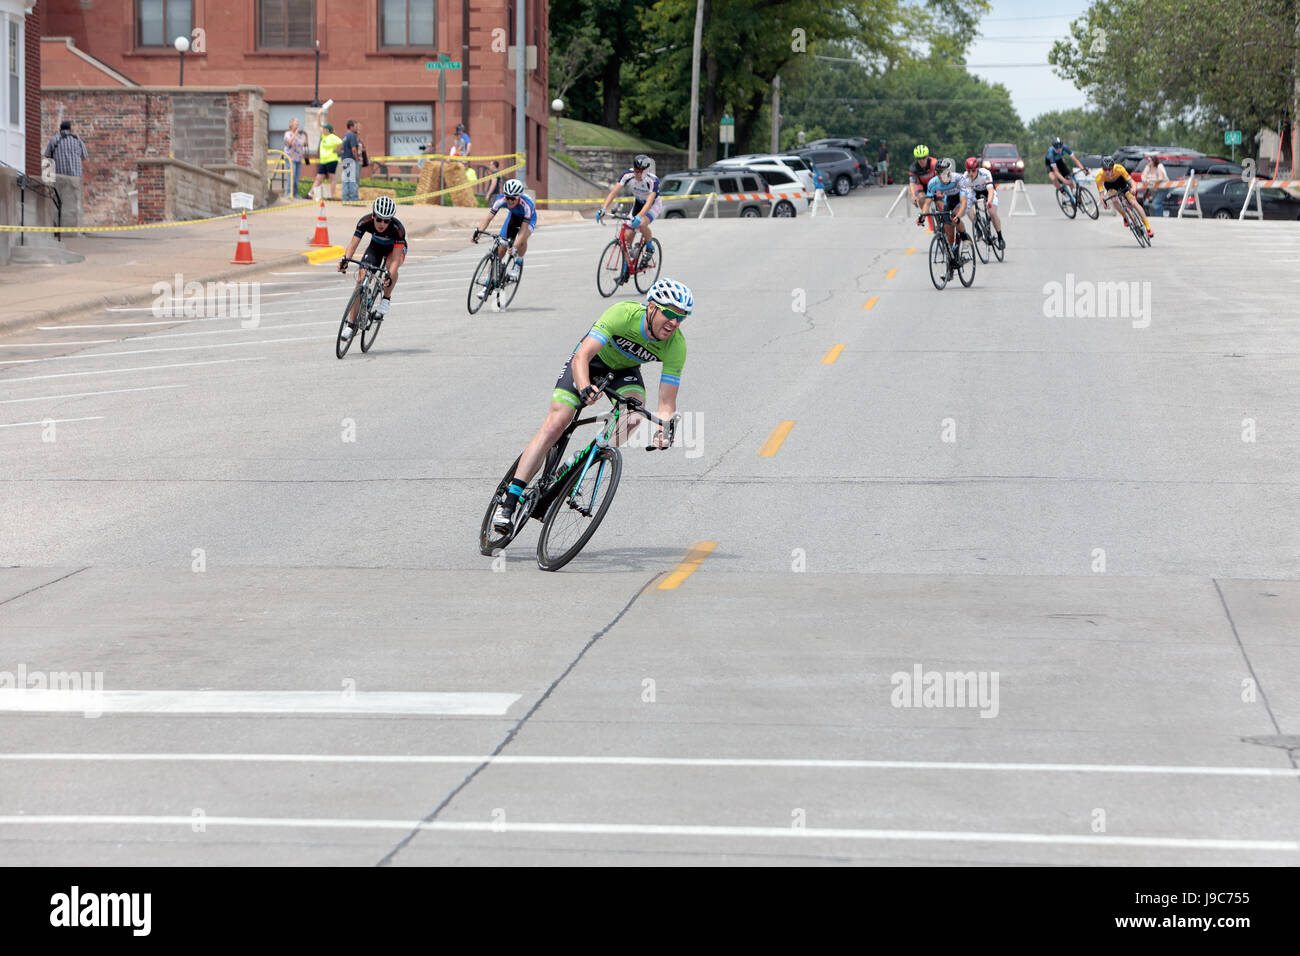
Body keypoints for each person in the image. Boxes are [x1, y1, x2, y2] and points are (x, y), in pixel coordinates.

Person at [491, 277, 693, 535]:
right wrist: (585, 386)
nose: (674, 323)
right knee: (556, 423)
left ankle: (581, 459)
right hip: (589, 362)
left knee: (633, 416)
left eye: (681, 318)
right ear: (652, 307)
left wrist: (665, 428)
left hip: (623, 371)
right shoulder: (623, 314)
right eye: (669, 314)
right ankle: (509, 500)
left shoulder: (676, 345)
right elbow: (581, 357)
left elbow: (666, 402)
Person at [337, 195, 407, 338]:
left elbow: (394, 261)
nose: (382, 223)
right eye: (379, 219)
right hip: (375, 248)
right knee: (360, 280)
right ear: (373, 215)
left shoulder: (398, 229)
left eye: (386, 221)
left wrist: (389, 275)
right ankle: (351, 325)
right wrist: (345, 260)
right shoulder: (365, 221)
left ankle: (386, 298)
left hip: (393, 250)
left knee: (390, 266)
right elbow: (353, 245)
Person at [596, 154, 661, 269]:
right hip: (638, 203)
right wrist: (604, 208)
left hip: (652, 205)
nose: (638, 175)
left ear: (646, 171)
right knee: (627, 235)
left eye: (641, 172)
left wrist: (639, 217)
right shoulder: (627, 175)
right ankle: (627, 267)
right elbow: (613, 193)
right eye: (636, 171)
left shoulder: (653, 180)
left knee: (641, 223)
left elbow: (649, 202)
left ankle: (650, 247)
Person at [472, 178, 537, 290]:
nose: (510, 201)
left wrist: (515, 246)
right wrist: (479, 232)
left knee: (522, 240)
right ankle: (488, 284)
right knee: (501, 249)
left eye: (513, 198)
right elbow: (488, 219)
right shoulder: (501, 200)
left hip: (528, 220)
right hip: (513, 217)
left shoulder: (527, 205)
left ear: (519, 197)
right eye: (508, 197)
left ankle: (518, 263)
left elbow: (522, 230)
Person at [918, 158, 973, 280]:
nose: (940, 176)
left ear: (949, 172)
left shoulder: (958, 179)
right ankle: (951, 266)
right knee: (948, 234)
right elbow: (927, 202)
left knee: (954, 216)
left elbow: (964, 202)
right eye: (938, 173)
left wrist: (959, 215)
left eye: (943, 172)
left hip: (961, 199)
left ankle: (965, 239)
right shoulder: (933, 183)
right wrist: (922, 216)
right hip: (949, 200)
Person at [1095, 155, 1153, 239]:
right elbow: (1101, 194)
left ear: (1113, 167)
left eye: (1109, 169)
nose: (1107, 171)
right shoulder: (1099, 176)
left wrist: (1133, 188)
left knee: (1133, 202)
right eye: (1105, 169)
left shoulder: (1119, 168)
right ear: (1102, 168)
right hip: (1110, 186)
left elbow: (1132, 181)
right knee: (1114, 200)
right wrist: (1103, 202)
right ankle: (1125, 217)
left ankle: (1148, 228)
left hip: (1121, 183)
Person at [961, 156, 1004, 247]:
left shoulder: (985, 173)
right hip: (975, 192)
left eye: (973, 170)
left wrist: (989, 202)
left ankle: (1000, 237)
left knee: (992, 212)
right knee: (966, 206)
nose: (971, 173)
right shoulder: (964, 177)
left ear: (977, 169)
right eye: (969, 171)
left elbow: (991, 191)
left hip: (987, 191)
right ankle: (978, 229)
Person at [311, 123, 343, 200]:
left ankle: (331, 196)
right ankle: (310, 193)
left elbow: (341, 142)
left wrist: (336, 150)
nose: (323, 130)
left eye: (324, 129)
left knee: (331, 178)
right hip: (323, 161)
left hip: (331, 160)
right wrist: (318, 115)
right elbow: (318, 127)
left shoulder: (333, 137)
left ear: (327, 130)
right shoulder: (324, 136)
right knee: (318, 178)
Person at [339, 120, 361, 202]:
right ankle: (354, 199)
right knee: (353, 180)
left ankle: (345, 198)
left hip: (345, 160)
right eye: (355, 126)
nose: (356, 128)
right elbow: (354, 149)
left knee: (346, 180)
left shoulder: (345, 136)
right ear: (351, 127)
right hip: (351, 160)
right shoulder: (351, 135)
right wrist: (356, 157)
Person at [282, 118, 305, 199]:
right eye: (295, 124)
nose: (297, 125)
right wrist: (295, 134)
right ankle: (289, 193)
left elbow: (304, 144)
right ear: (291, 125)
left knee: (296, 176)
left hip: (298, 158)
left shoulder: (299, 135)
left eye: (298, 124)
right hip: (290, 157)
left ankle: (295, 193)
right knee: (292, 174)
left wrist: (306, 136)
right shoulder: (288, 133)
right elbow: (289, 142)